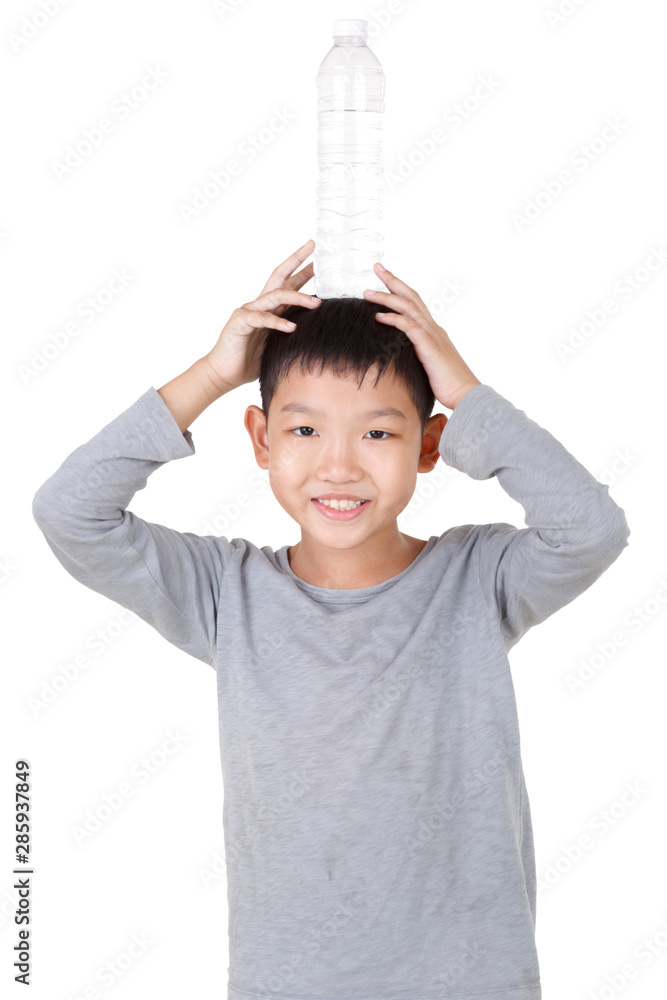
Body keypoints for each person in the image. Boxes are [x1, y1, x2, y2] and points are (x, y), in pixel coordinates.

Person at [32, 238, 630, 1000]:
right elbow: (70, 512)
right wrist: (213, 372)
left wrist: (464, 389)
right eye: (304, 430)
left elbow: (590, 529)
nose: (338, 466)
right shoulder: (226, 592)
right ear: (261, 439)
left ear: (428, 446)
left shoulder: (477, 579)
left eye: (378, 432)